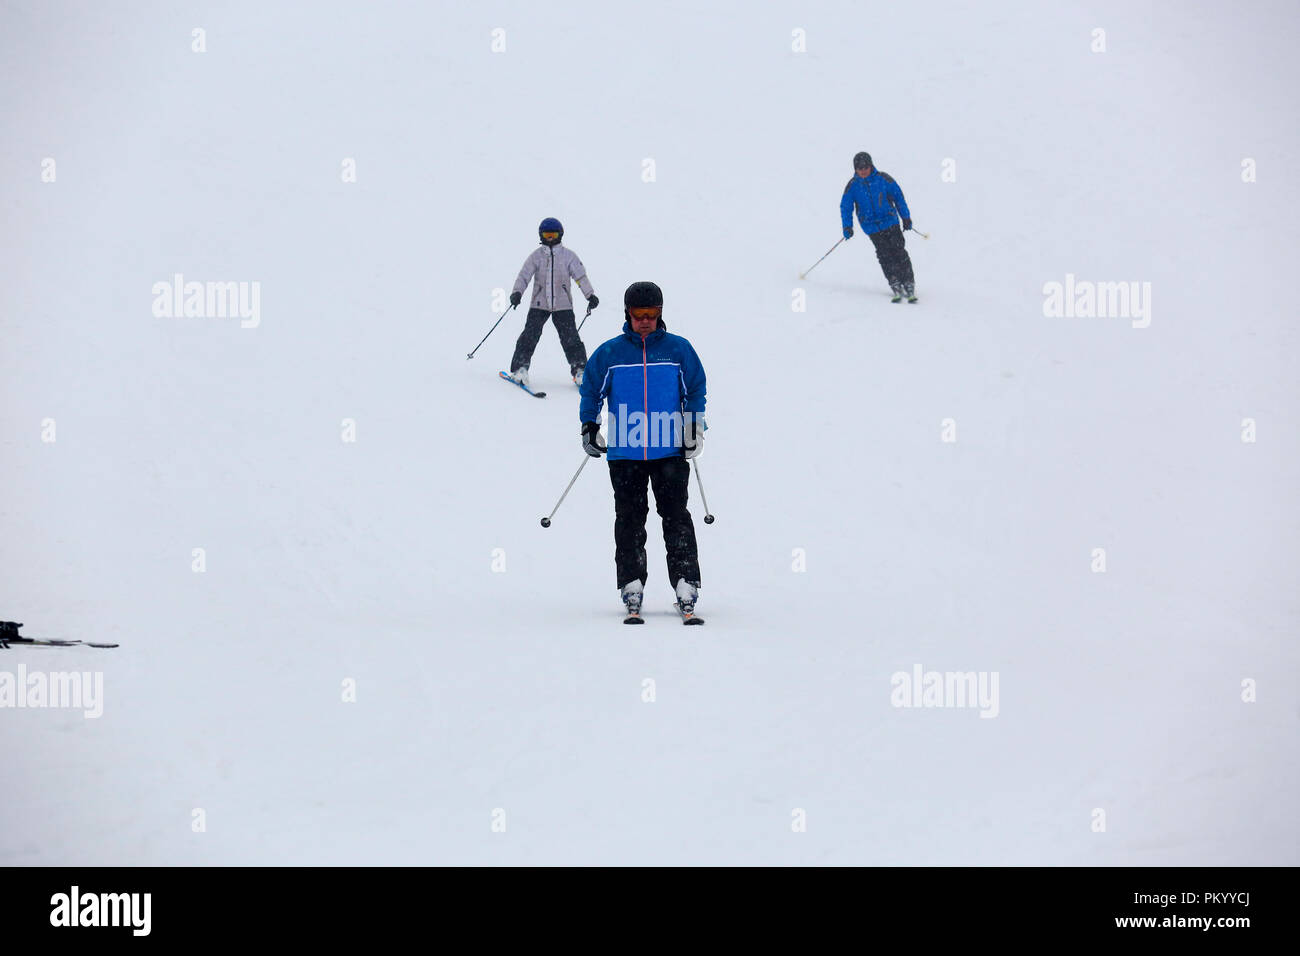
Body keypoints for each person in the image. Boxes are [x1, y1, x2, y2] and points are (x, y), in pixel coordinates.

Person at [578, 281, 707, 621]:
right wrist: (589, 426)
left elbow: (695, 389)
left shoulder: (679, 350)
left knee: (676, 517)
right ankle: (631, 584)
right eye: (639, 315)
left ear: (661, 313)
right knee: (630, 520)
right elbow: (590, 391)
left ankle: (686, 584)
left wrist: (694, 426)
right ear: (628, 315)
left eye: (652, 314)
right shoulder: (611, 353)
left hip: (669, 450)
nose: (646, 321)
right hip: (625, 453)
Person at [507, 217, 600, 386]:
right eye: (547, 234)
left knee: (571, 338)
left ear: (560, 235)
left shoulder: (568, 256)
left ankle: (580, 370)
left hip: (563, 305)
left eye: (553, 234)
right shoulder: (536, 257)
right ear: (541, 236)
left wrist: (590, 295)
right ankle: (520, 368)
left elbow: (580, 277)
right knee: (529, 336)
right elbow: (524, 276)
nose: (550, 238)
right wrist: (517, 293)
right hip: (539, 304)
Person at [839, 151, 918, 303]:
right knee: (884, 254)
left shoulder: (883, 179)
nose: (863, 171)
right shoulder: (853, 186)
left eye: (865, 167)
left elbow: (899, 197)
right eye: (859, 168)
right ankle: (894, 281)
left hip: (890, 221)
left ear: (871, 166)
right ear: (855, 169)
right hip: (871, 227)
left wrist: (906, 217)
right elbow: (845, 207)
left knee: (898, 251)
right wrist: (847, 227)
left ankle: (908, 281)